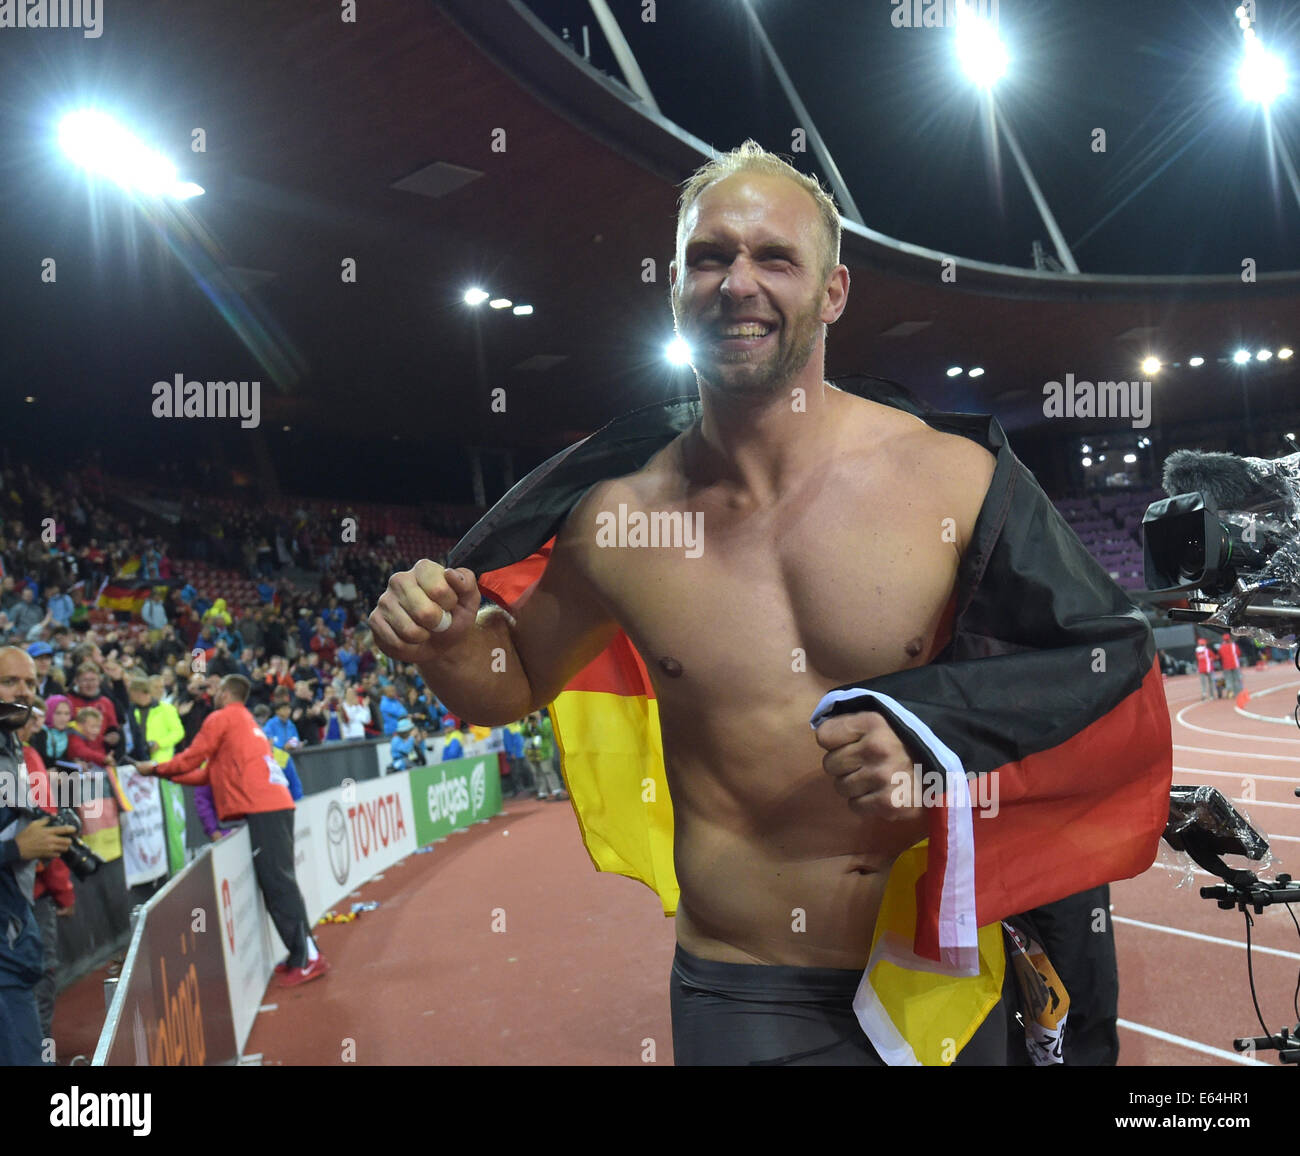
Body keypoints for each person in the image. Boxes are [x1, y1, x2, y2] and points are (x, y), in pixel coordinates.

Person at [369, 142, 1173, 1068]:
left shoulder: (950, 481)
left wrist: (934, 723)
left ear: (832, 293)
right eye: (709, 257)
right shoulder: (617, 521)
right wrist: (438, 641)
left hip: (940, 967)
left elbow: (1106, 658)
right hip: (749, 984)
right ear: (675, 288)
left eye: (774, 258)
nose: (736, 283)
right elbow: (510, 681)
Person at [136, 675, 327, 987]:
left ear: (225, 693)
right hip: (271, 805)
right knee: (279, 882)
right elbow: (206, 775)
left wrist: (157, 768)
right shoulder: (245, 722)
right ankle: (300, 954)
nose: (212, 695)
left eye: (216, 690)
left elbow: (194, 757)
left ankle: (308, 956)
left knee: (279, 885)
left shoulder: (221, 718)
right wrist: (163, 776)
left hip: (263, 807)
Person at [0, 646, 75, 1065]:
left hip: (14, 930)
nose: (24, 691)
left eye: (30, 682)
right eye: (10, 681)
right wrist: (16, 848)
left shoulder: (13, 747)